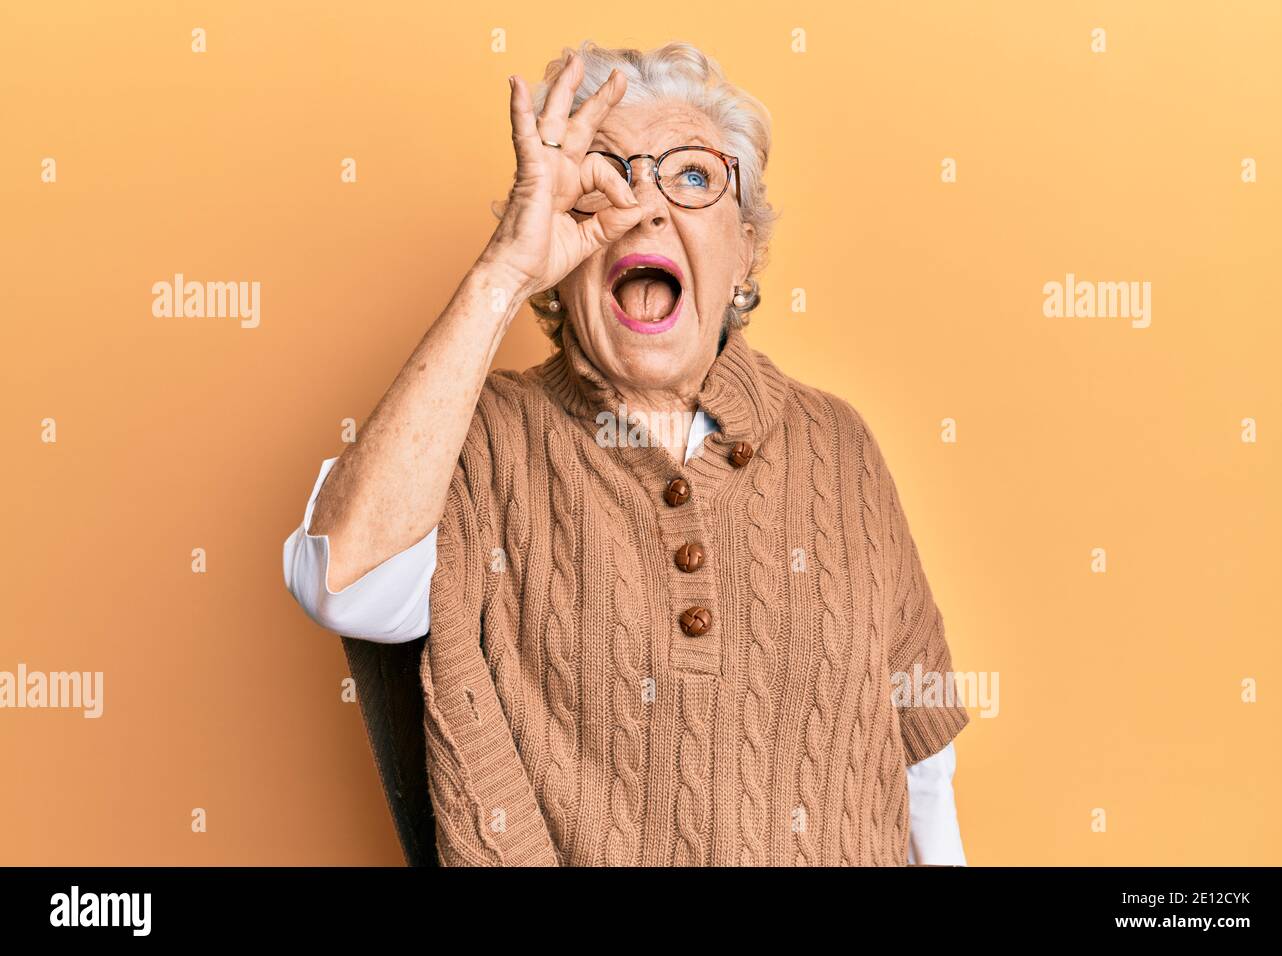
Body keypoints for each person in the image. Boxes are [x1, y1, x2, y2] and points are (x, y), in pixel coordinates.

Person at [284, 40, 970, 866]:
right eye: (605, 176)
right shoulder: (474, 439)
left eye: (691, 177)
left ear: (746, 247)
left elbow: (920, 762)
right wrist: (505, 268)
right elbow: (342, 582)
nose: (644, 209)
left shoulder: (838, 445)